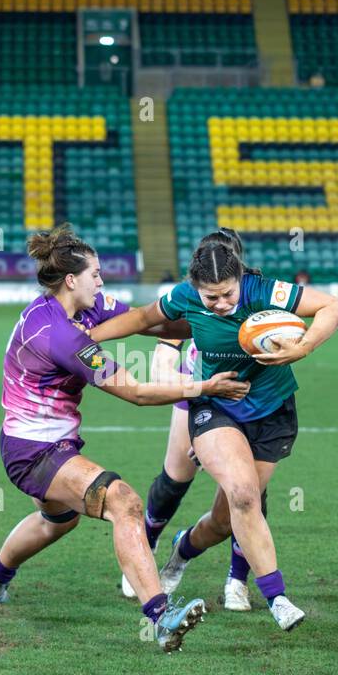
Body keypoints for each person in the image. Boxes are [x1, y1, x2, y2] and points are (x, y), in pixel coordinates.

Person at [0, 224, 250, 653]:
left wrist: (216, 321)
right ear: (71, 280)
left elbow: (149, 323)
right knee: (124, 502)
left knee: (57, 521)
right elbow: (134, 392)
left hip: (42, 442)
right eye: (95, 274)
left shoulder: (84, 306)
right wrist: (203, 387)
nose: (101, 281)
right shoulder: (61, 337)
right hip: (35, 453)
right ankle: (161, 615)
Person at [90, 231, 338, 632]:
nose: (222, 303)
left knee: (226, 519)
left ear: (240, 280)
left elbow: (336, 307)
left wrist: (304, 346)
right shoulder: (186, 296)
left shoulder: (264, 291)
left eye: (228, 294)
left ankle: (182, 551)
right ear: (197, 288)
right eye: (212, 297)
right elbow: (143, 318)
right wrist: (88, 337)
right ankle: (277, 596)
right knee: (244, 495)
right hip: (215, 406)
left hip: (272, 410)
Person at [118, 231, 268, 613]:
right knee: (174, 480)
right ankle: (146, 547)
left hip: (247, 400)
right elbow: (163, 362)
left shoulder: (258, 297)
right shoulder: (188, 299)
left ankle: (237, 579)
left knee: (248, 493)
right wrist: (201, 420)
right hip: (194, 395)